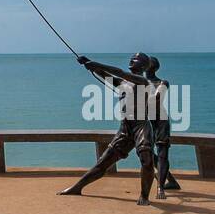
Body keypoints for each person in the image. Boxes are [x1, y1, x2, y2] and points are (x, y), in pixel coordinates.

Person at [60, 52, 156, 205]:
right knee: (103, 162)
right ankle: (77, 187)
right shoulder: (123, 84)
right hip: (125, 127)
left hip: (140, 126)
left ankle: (144, 196)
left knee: (147, 161)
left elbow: (119, 72)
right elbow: (106, 75)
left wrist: (95, 64)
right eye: (131, 58)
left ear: (143, 66)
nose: (132, 60)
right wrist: (89, 63)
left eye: (136, 59)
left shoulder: (142, 81)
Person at [145, 56, 180, 198]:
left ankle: (160, 187)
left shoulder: (163, 83)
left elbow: (157, 98)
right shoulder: (139, 84)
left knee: (162, 154)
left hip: (160, 122)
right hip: (147, 121)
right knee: (145, 151)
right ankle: (170, 180)